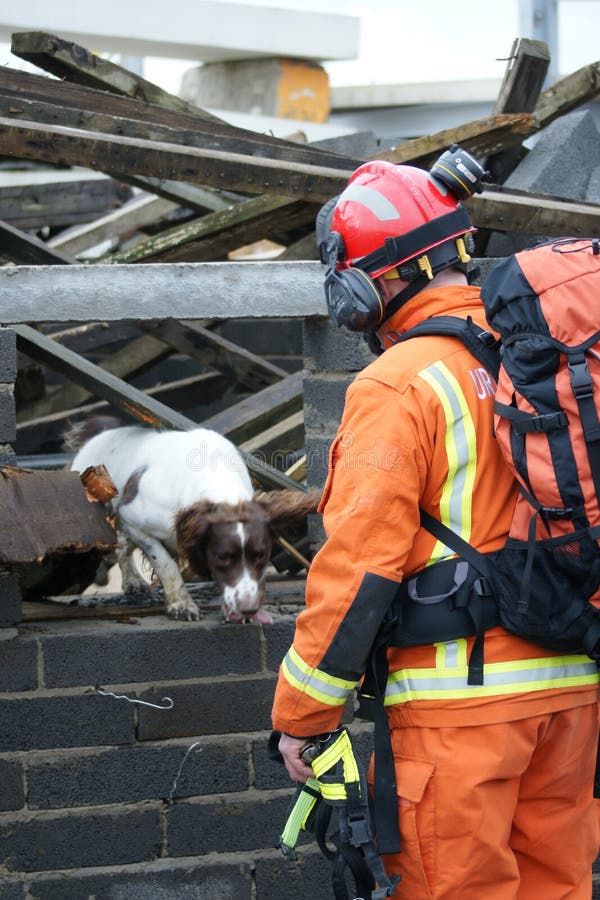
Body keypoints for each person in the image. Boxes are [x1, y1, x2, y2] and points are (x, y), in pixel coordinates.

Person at [271, 148, 600, 898]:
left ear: (369, 284)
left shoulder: (399, 384)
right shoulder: (545, 351)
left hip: (461, 706)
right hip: (573, 689)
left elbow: (358, 569)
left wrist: (304, 715)